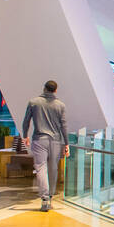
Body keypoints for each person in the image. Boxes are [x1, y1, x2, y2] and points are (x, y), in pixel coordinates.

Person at [21, 80, 69, 212]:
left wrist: (25, 136)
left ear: (44, 89)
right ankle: (51, 196)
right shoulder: (60, 105)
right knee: (53, 168)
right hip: (56, 140)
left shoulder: (33, 102)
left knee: (41, 168)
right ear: (55, 90)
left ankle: (45, 198)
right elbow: (64, 126)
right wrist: (67, 143)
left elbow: (26, 121)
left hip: (39, 139)